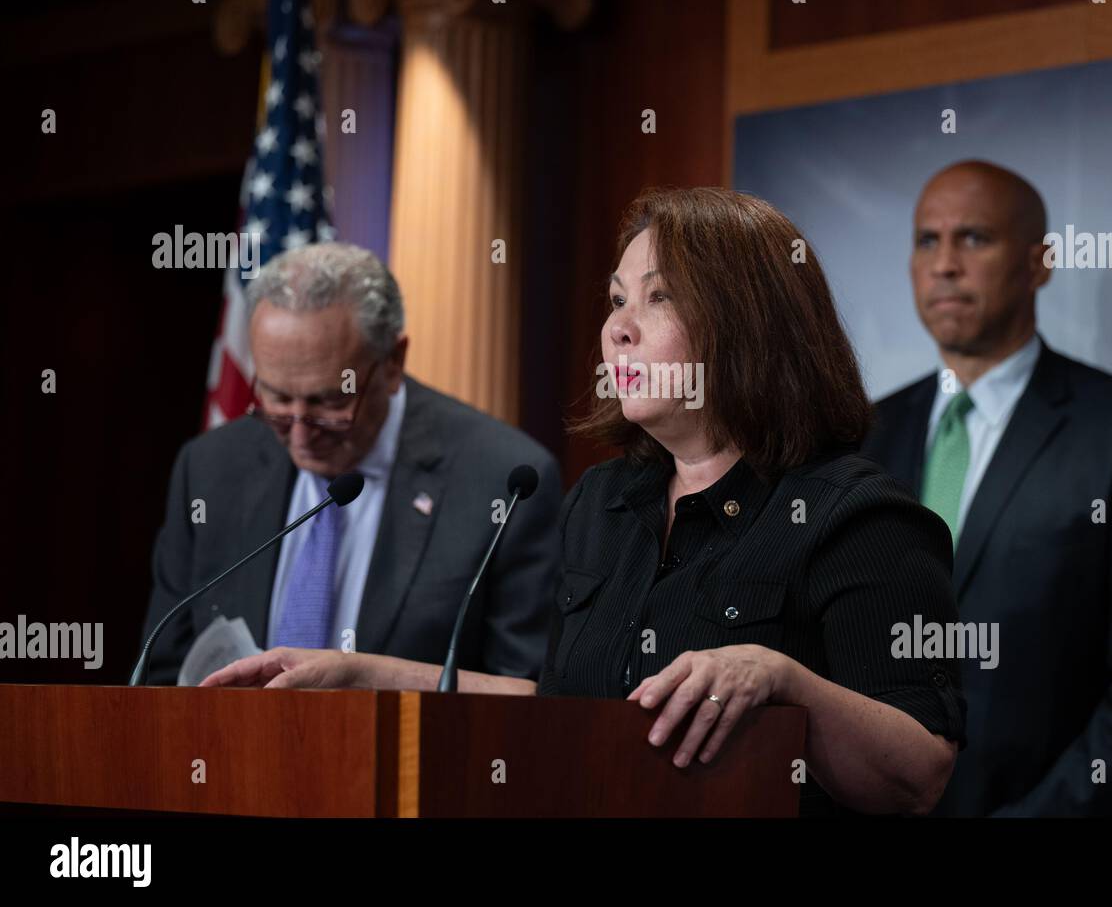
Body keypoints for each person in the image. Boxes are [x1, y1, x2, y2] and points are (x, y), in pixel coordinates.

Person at [202, 188, 967, 816]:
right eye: (615, 300)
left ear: (751, 322)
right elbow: (564, 704)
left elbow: (922, 771)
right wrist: (358, 672)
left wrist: (783, 678)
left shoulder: (860, 518)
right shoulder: (605, 500)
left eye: (658, 298)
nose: (618, 330)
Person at [862, 160, 1112, 815]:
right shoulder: (861, 437)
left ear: (1040, 263)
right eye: (927, 240)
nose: (945, 263)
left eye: (974, 238)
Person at [141, 242, 562, 685]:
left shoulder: (502, 481)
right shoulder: (210, 468)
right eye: (278, 399)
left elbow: (527, 697)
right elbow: (162, 669)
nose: (300, 433)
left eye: (329, 401)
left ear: (393, 363)